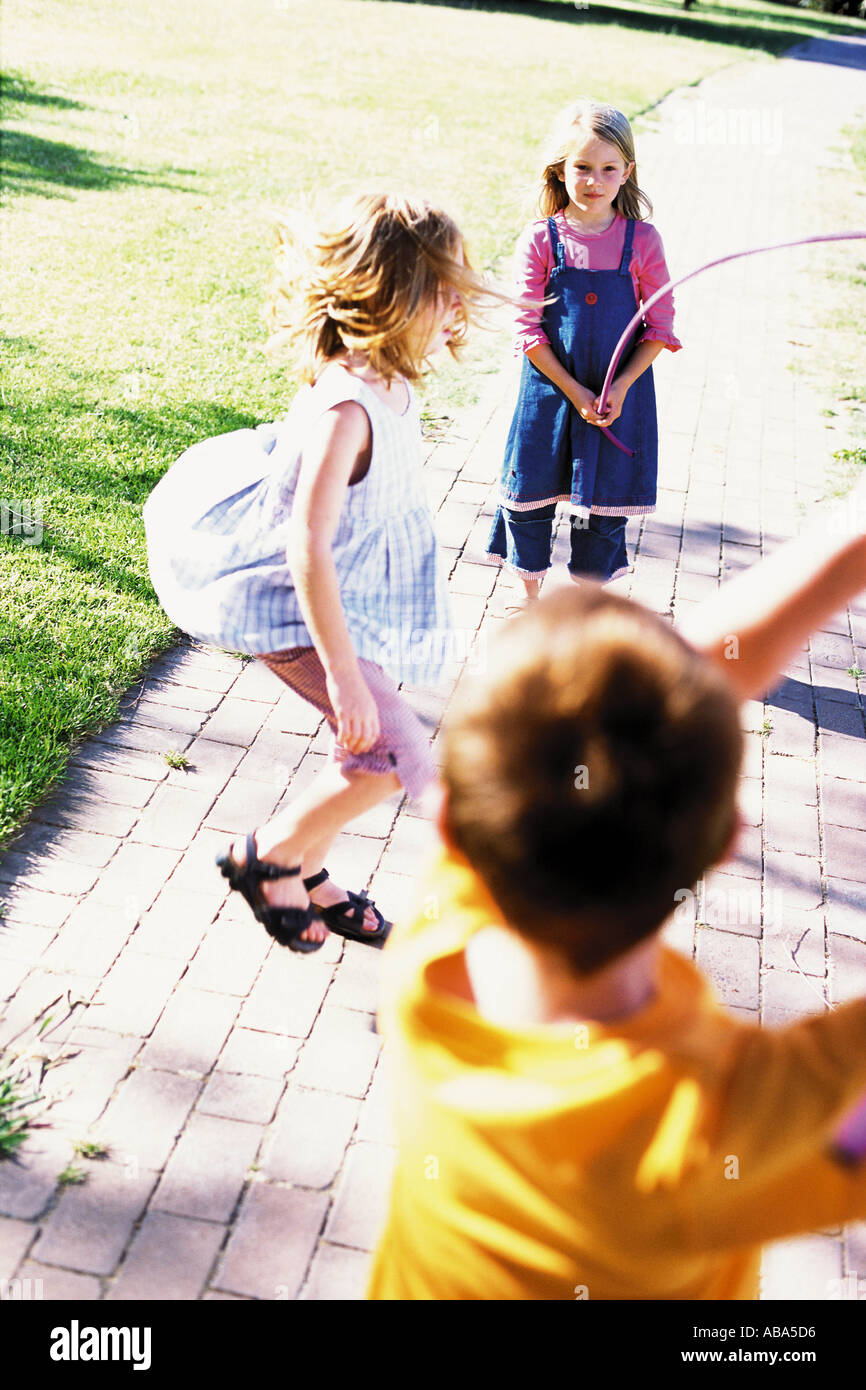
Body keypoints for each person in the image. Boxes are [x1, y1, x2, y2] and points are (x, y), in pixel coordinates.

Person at [368, 490, 866, 1299]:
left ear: (452, 825)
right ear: (726, 845)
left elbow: (671, 686)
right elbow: (694, 673)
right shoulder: (720, 1124)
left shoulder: (431, 966)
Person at [145, 193, 495, 953]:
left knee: (373, 748)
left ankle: (305, 867)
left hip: (339, 604)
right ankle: (267, 857)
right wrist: (340, 671)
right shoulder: (347, 407)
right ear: (393, 295)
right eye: (443, 290)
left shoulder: (392, 383)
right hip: (291, 606)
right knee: (392, 756)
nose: (457, 306)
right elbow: (307, 543)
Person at [486, 98, 681, 606]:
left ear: (626, 173)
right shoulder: (540, 240)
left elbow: (660, 327)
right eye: (582, 168)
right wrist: (573, 391)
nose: (594, 180)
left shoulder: (644, 242)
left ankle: (588, 607)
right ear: (561, 170)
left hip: (619, 399)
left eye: (607, 169)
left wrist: (619, 386)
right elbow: (528, 329)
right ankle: (528, 597)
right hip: (550, 392)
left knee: (605, 506)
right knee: (529, 494)